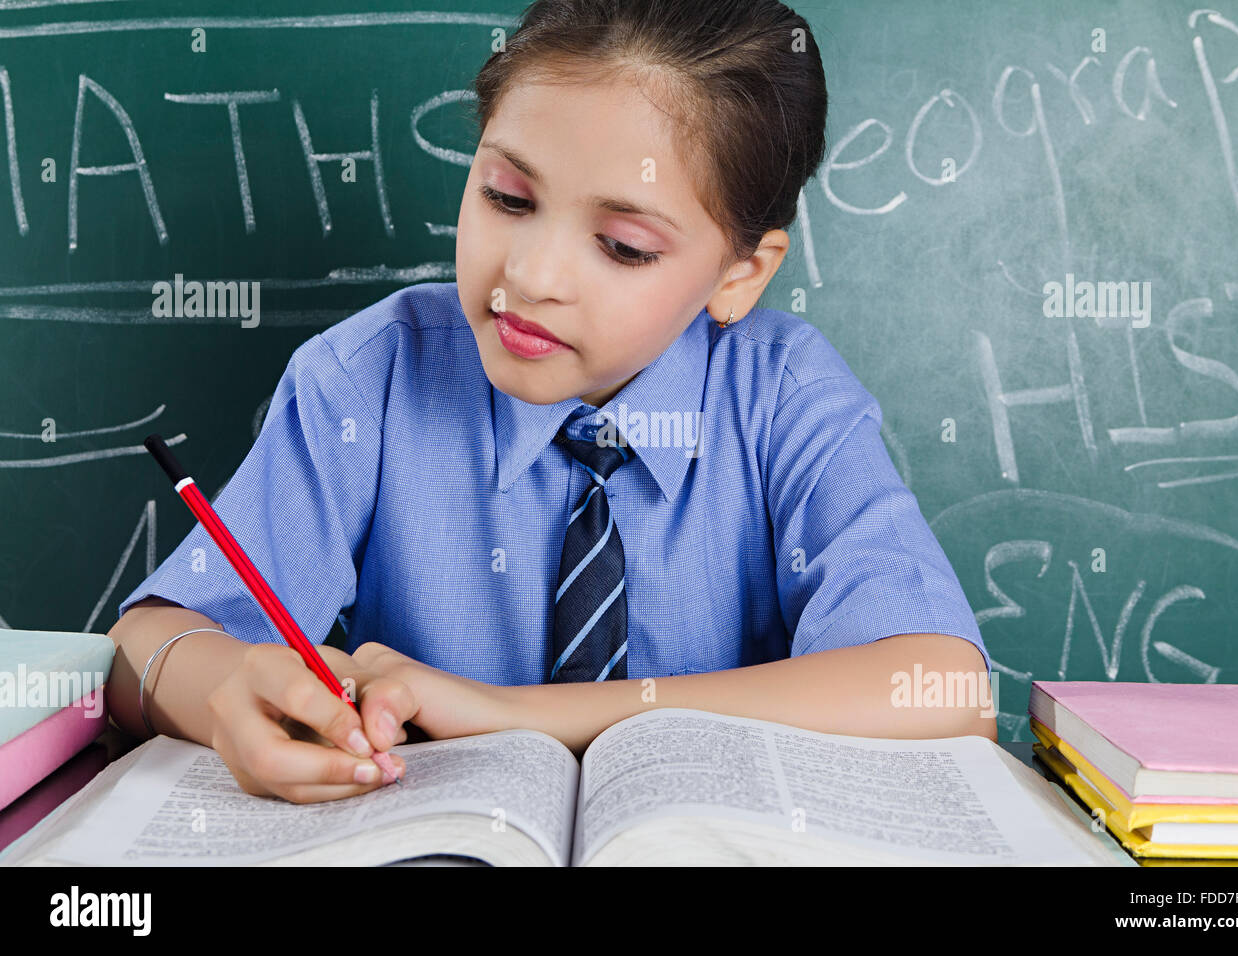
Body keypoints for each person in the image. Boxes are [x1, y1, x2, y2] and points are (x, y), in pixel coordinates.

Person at [108, 0, 995, 805]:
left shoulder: (784, 398)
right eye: (505, 196)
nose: (528, 277)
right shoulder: (369, 379)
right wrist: (225, 696)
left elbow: (945, 689)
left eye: (621, 245)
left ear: (740, 274)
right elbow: (142, 650)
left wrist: (515, 712)